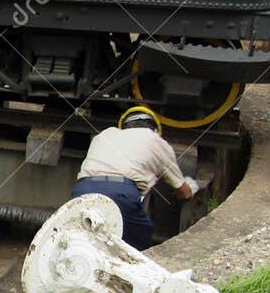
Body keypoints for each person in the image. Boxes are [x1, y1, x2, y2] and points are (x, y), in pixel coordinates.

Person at [70, 106, 199, 251]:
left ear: (124, 126)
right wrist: (191, 188)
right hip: (120, 193)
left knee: (79, 244)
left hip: (82, 190)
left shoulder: (104, 134)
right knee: (138, 246)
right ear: (155, 130)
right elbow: (184, 192)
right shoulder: (155, 140)